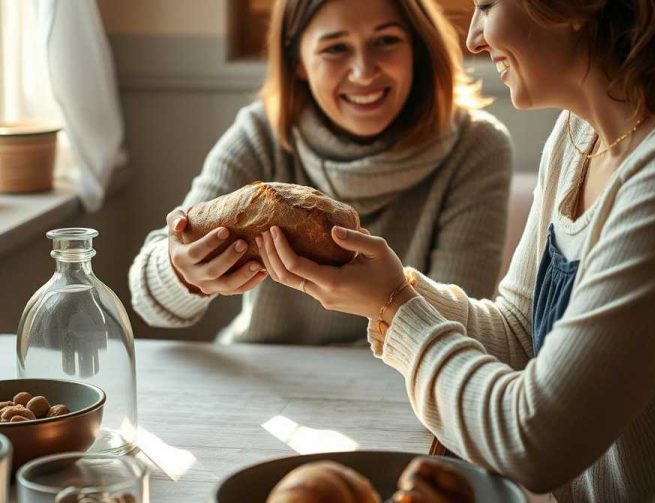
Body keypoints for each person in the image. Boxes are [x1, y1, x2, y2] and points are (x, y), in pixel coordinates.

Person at [257, 0, 655, 499]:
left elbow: (534, 442)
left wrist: (398, 309)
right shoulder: (581, 133)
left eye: (487, 5)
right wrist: (390, 289)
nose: (473, 38)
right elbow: (520, 334)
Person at [129, 0, 513, 345]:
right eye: (335, 48)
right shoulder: (262, 134)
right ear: (298, 62)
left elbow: (456, 331)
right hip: (264, 378)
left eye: (386, 41)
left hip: (401, 381)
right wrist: (183, 271)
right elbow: (149, 300)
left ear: (417, 47)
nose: (364, 72)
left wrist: (388, 297)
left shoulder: (475, 146)